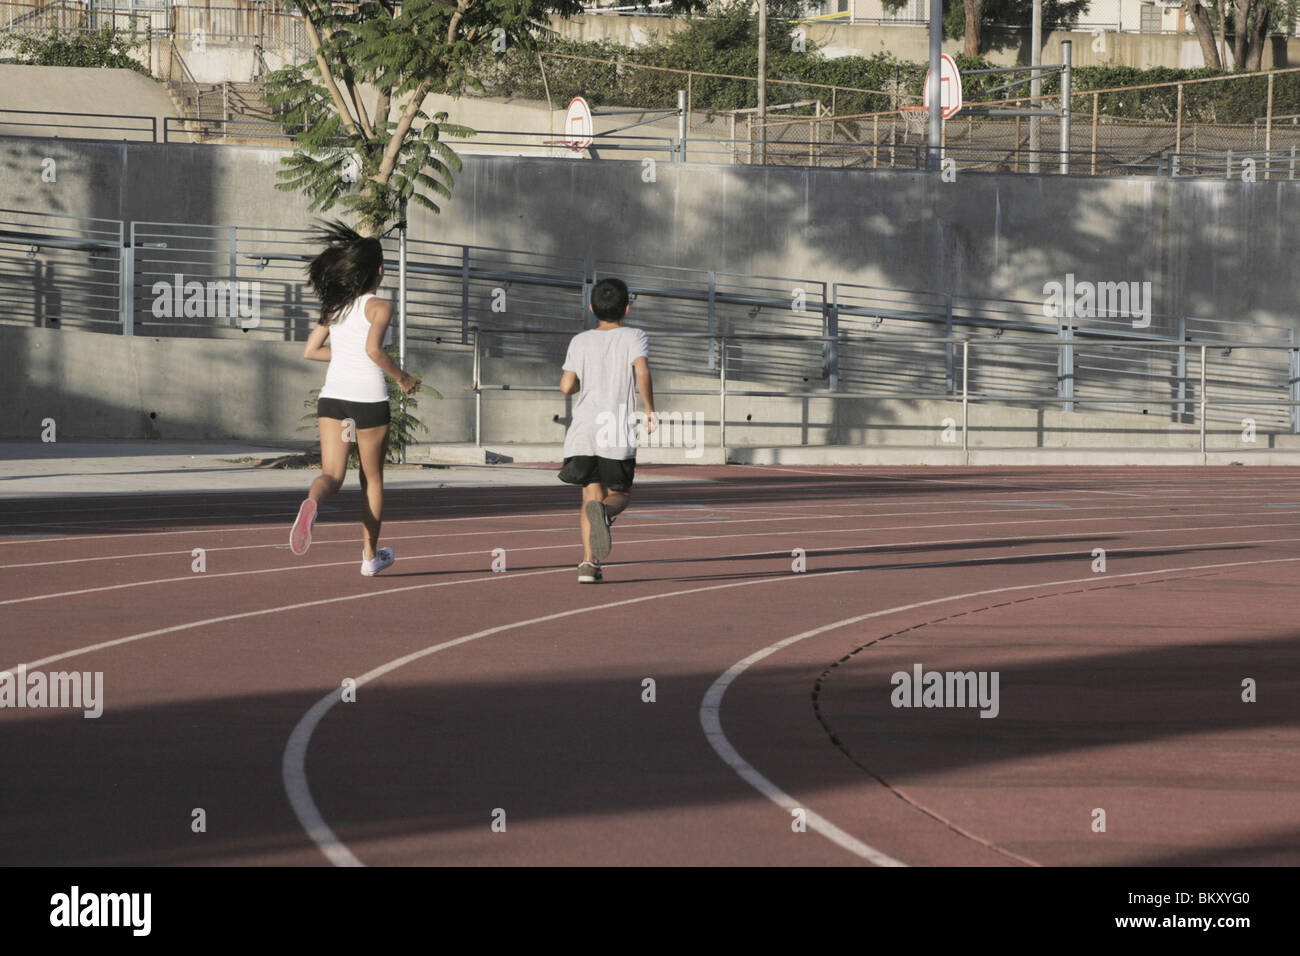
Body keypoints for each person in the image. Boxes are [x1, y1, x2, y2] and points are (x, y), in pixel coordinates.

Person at [290, 221, 421, 576]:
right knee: (372, 479)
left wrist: (347, 355)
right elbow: (373, 349)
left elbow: (311, 351)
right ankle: (368, 557)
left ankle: (312, 504)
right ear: (380, 270)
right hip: (368, 400)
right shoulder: (381, 306)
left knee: (331, 475)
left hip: (333, 399)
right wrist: (403, 378)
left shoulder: (337, 307)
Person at [557, 277, 655, 583]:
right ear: (627, 308)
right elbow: (641, 371)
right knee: (619, 494)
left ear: (591, 308)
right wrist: (650, 409)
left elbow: (566, 386)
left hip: (584, 430)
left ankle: (588, 564)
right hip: (615, 428)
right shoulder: (634, 336)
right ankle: (605, 513)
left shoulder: (579, 341)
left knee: (590, 497)